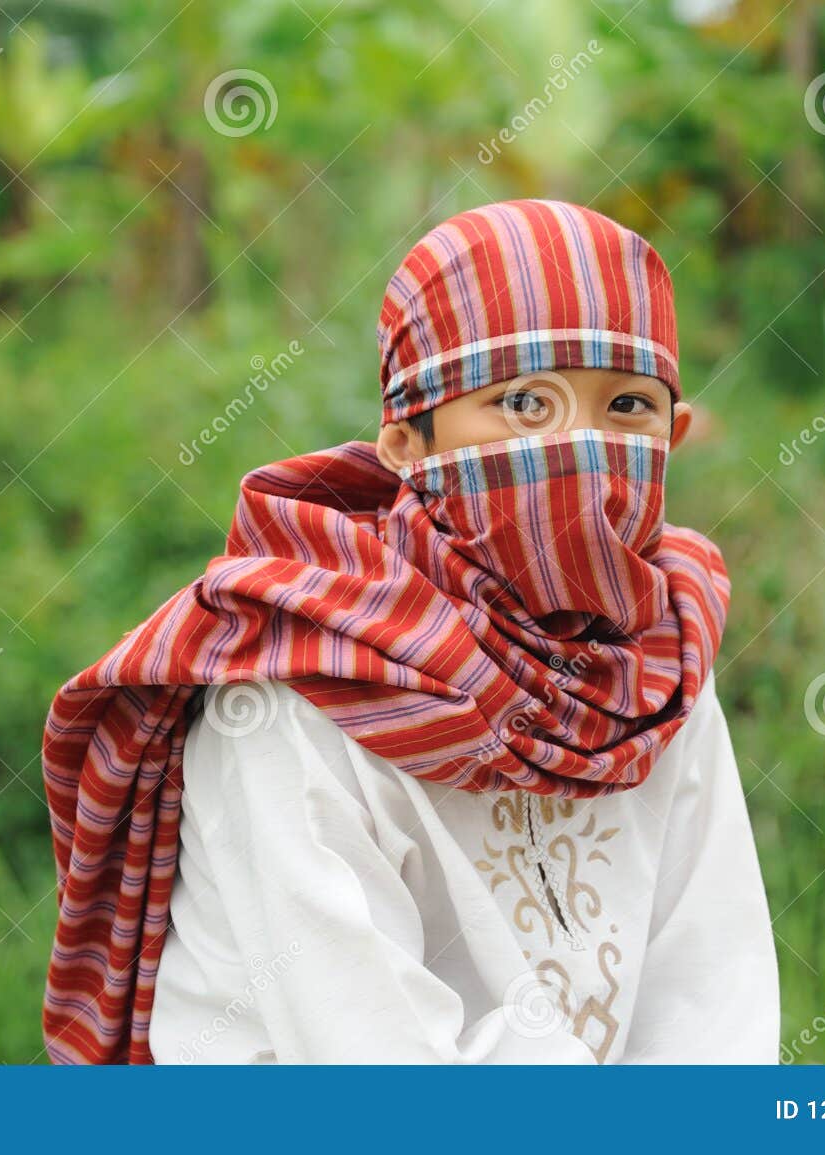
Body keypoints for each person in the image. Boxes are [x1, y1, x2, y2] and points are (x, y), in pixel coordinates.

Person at [41, 199, 779, 1064]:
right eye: (522, 401)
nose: (580, 446)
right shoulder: (300, 687)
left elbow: (713, 996)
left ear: (673, 435)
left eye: (625, 405)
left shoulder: (664, 665)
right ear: (407, 444)